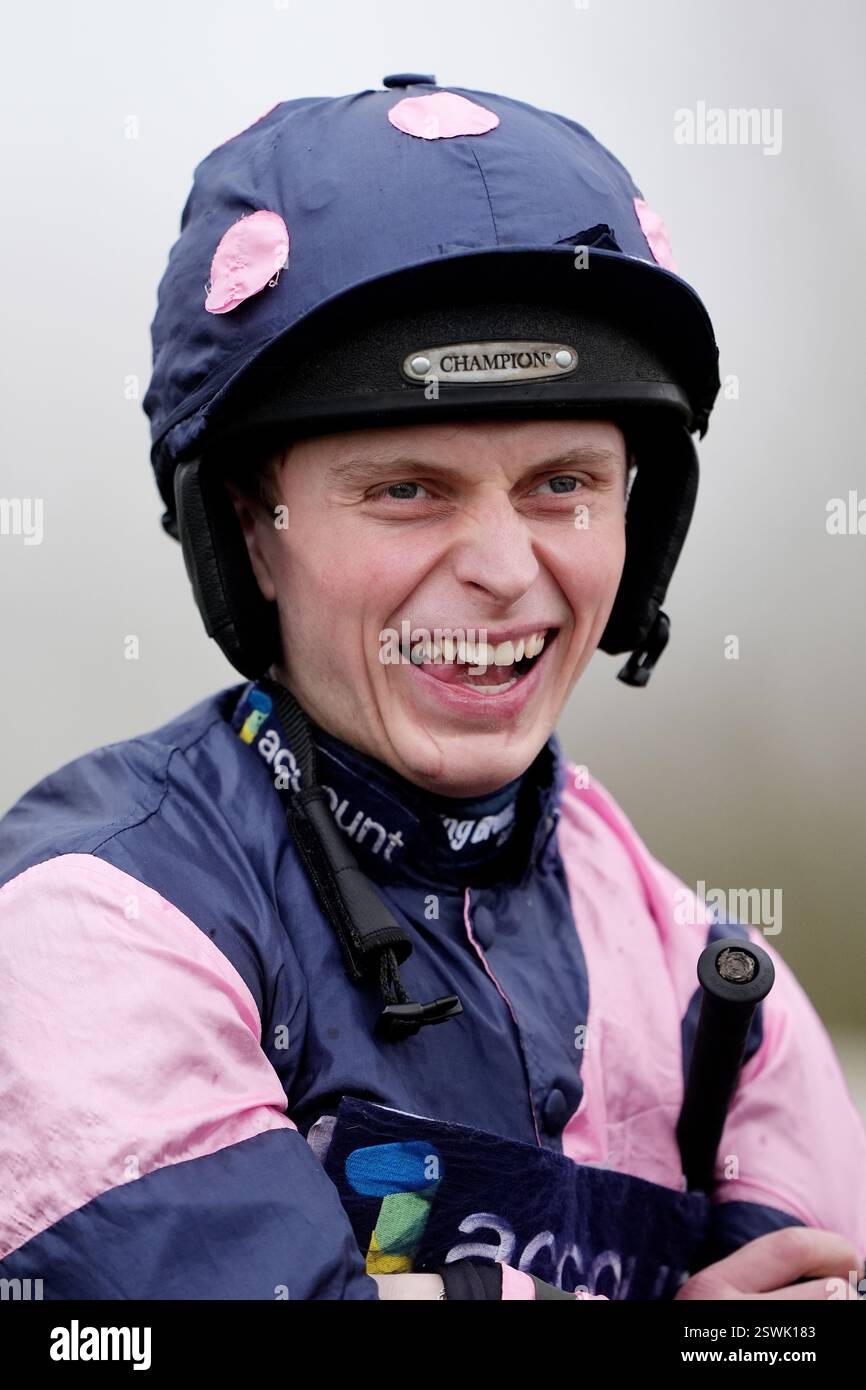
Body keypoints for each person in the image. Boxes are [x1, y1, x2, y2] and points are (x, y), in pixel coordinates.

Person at [0, 76, 863, 1302]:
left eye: (564, 483)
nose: (506, 572)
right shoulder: (92, 920)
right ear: (249, 531)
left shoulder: (716, 991)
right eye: (406, 489)